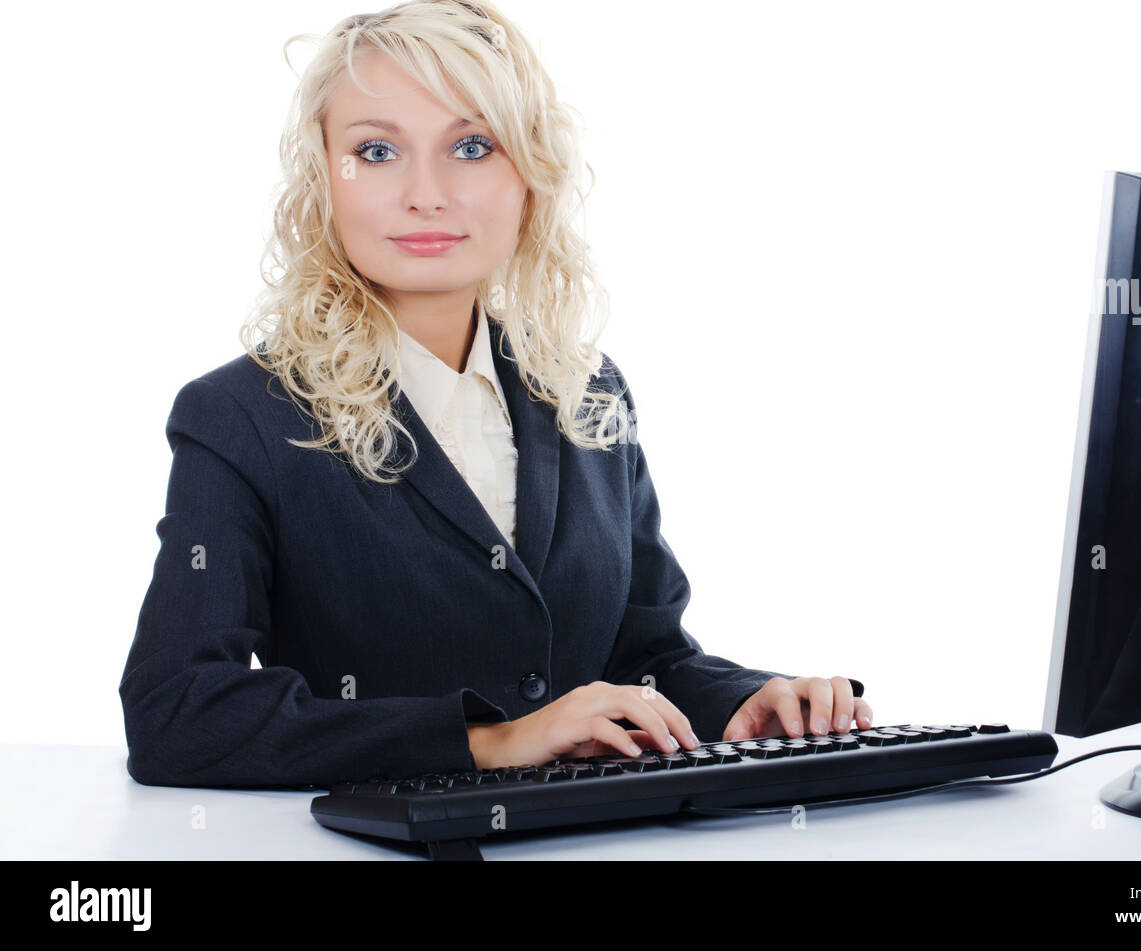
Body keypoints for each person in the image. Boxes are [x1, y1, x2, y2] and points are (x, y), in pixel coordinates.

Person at [119, 0, 872, 788]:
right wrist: (490, 740)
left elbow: (645, 658)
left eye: (472, 146)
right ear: (323, 179)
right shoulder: (240, 417)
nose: (426, 193)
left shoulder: (588, 394)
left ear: (530, 174)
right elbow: (176, 710)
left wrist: (748, 703)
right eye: (376, 150)